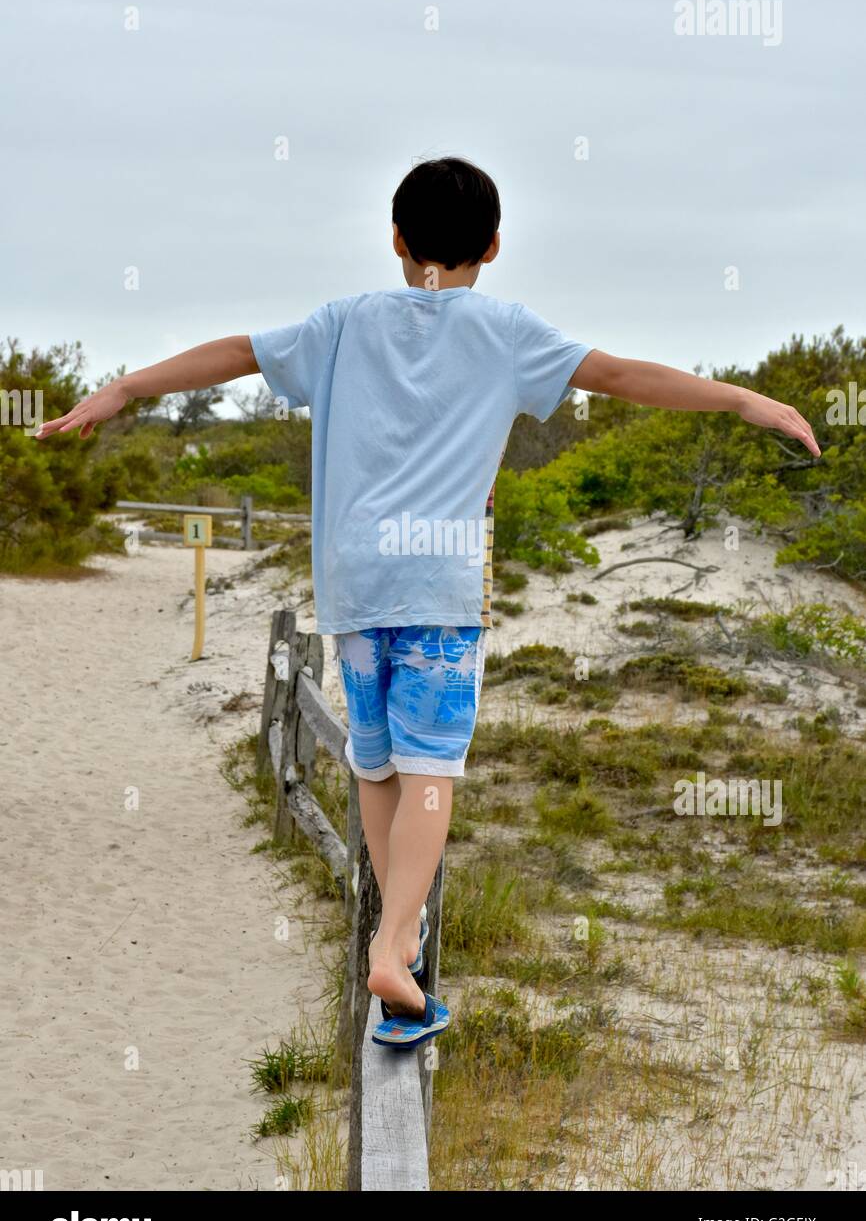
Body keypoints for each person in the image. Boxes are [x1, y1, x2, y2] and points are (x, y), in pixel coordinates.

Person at [37, 156, 821, 1049]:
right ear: (492, 246)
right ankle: (394, 941)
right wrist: (748, 399)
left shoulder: (341, 325)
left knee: (379, 768)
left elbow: (235, 352)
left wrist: (125, 388)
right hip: (441, 588)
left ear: (398, 240)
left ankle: (395, 950)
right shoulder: (507, 332)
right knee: (434, 770)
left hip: (355, 586)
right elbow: (626, 377)